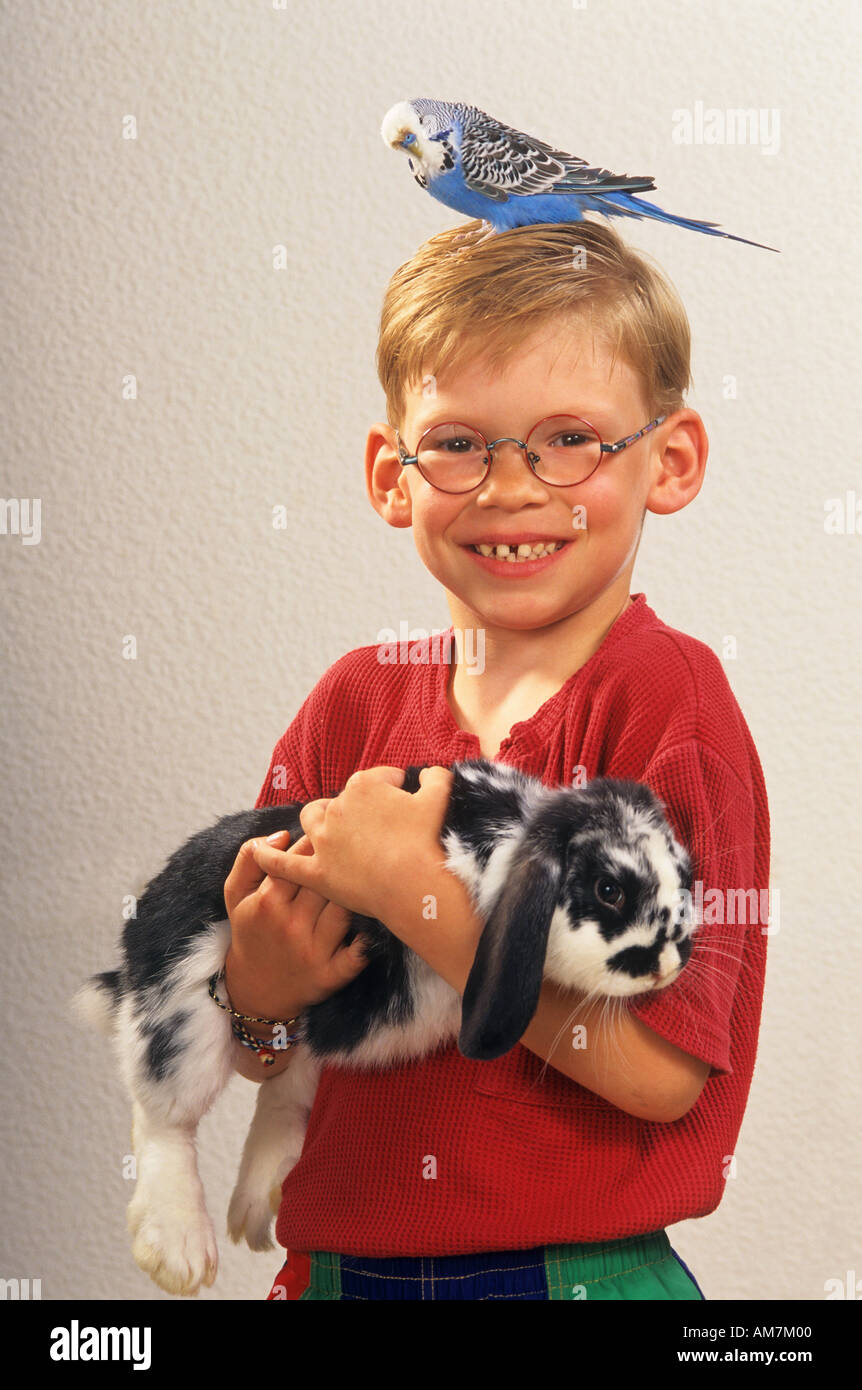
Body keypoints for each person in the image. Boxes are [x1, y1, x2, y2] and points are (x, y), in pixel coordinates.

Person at [221, 218, 770, 1300]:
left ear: (670, 461)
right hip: (335, 1270)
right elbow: (263, 1051)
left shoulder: (671, 705)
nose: (512, 486)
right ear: (392, 473)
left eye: (570, 438)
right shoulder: (350, 704)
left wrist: (424, 905)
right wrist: (261, 995)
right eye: (461, 442)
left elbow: (662, 1079)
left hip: (570, 1277)